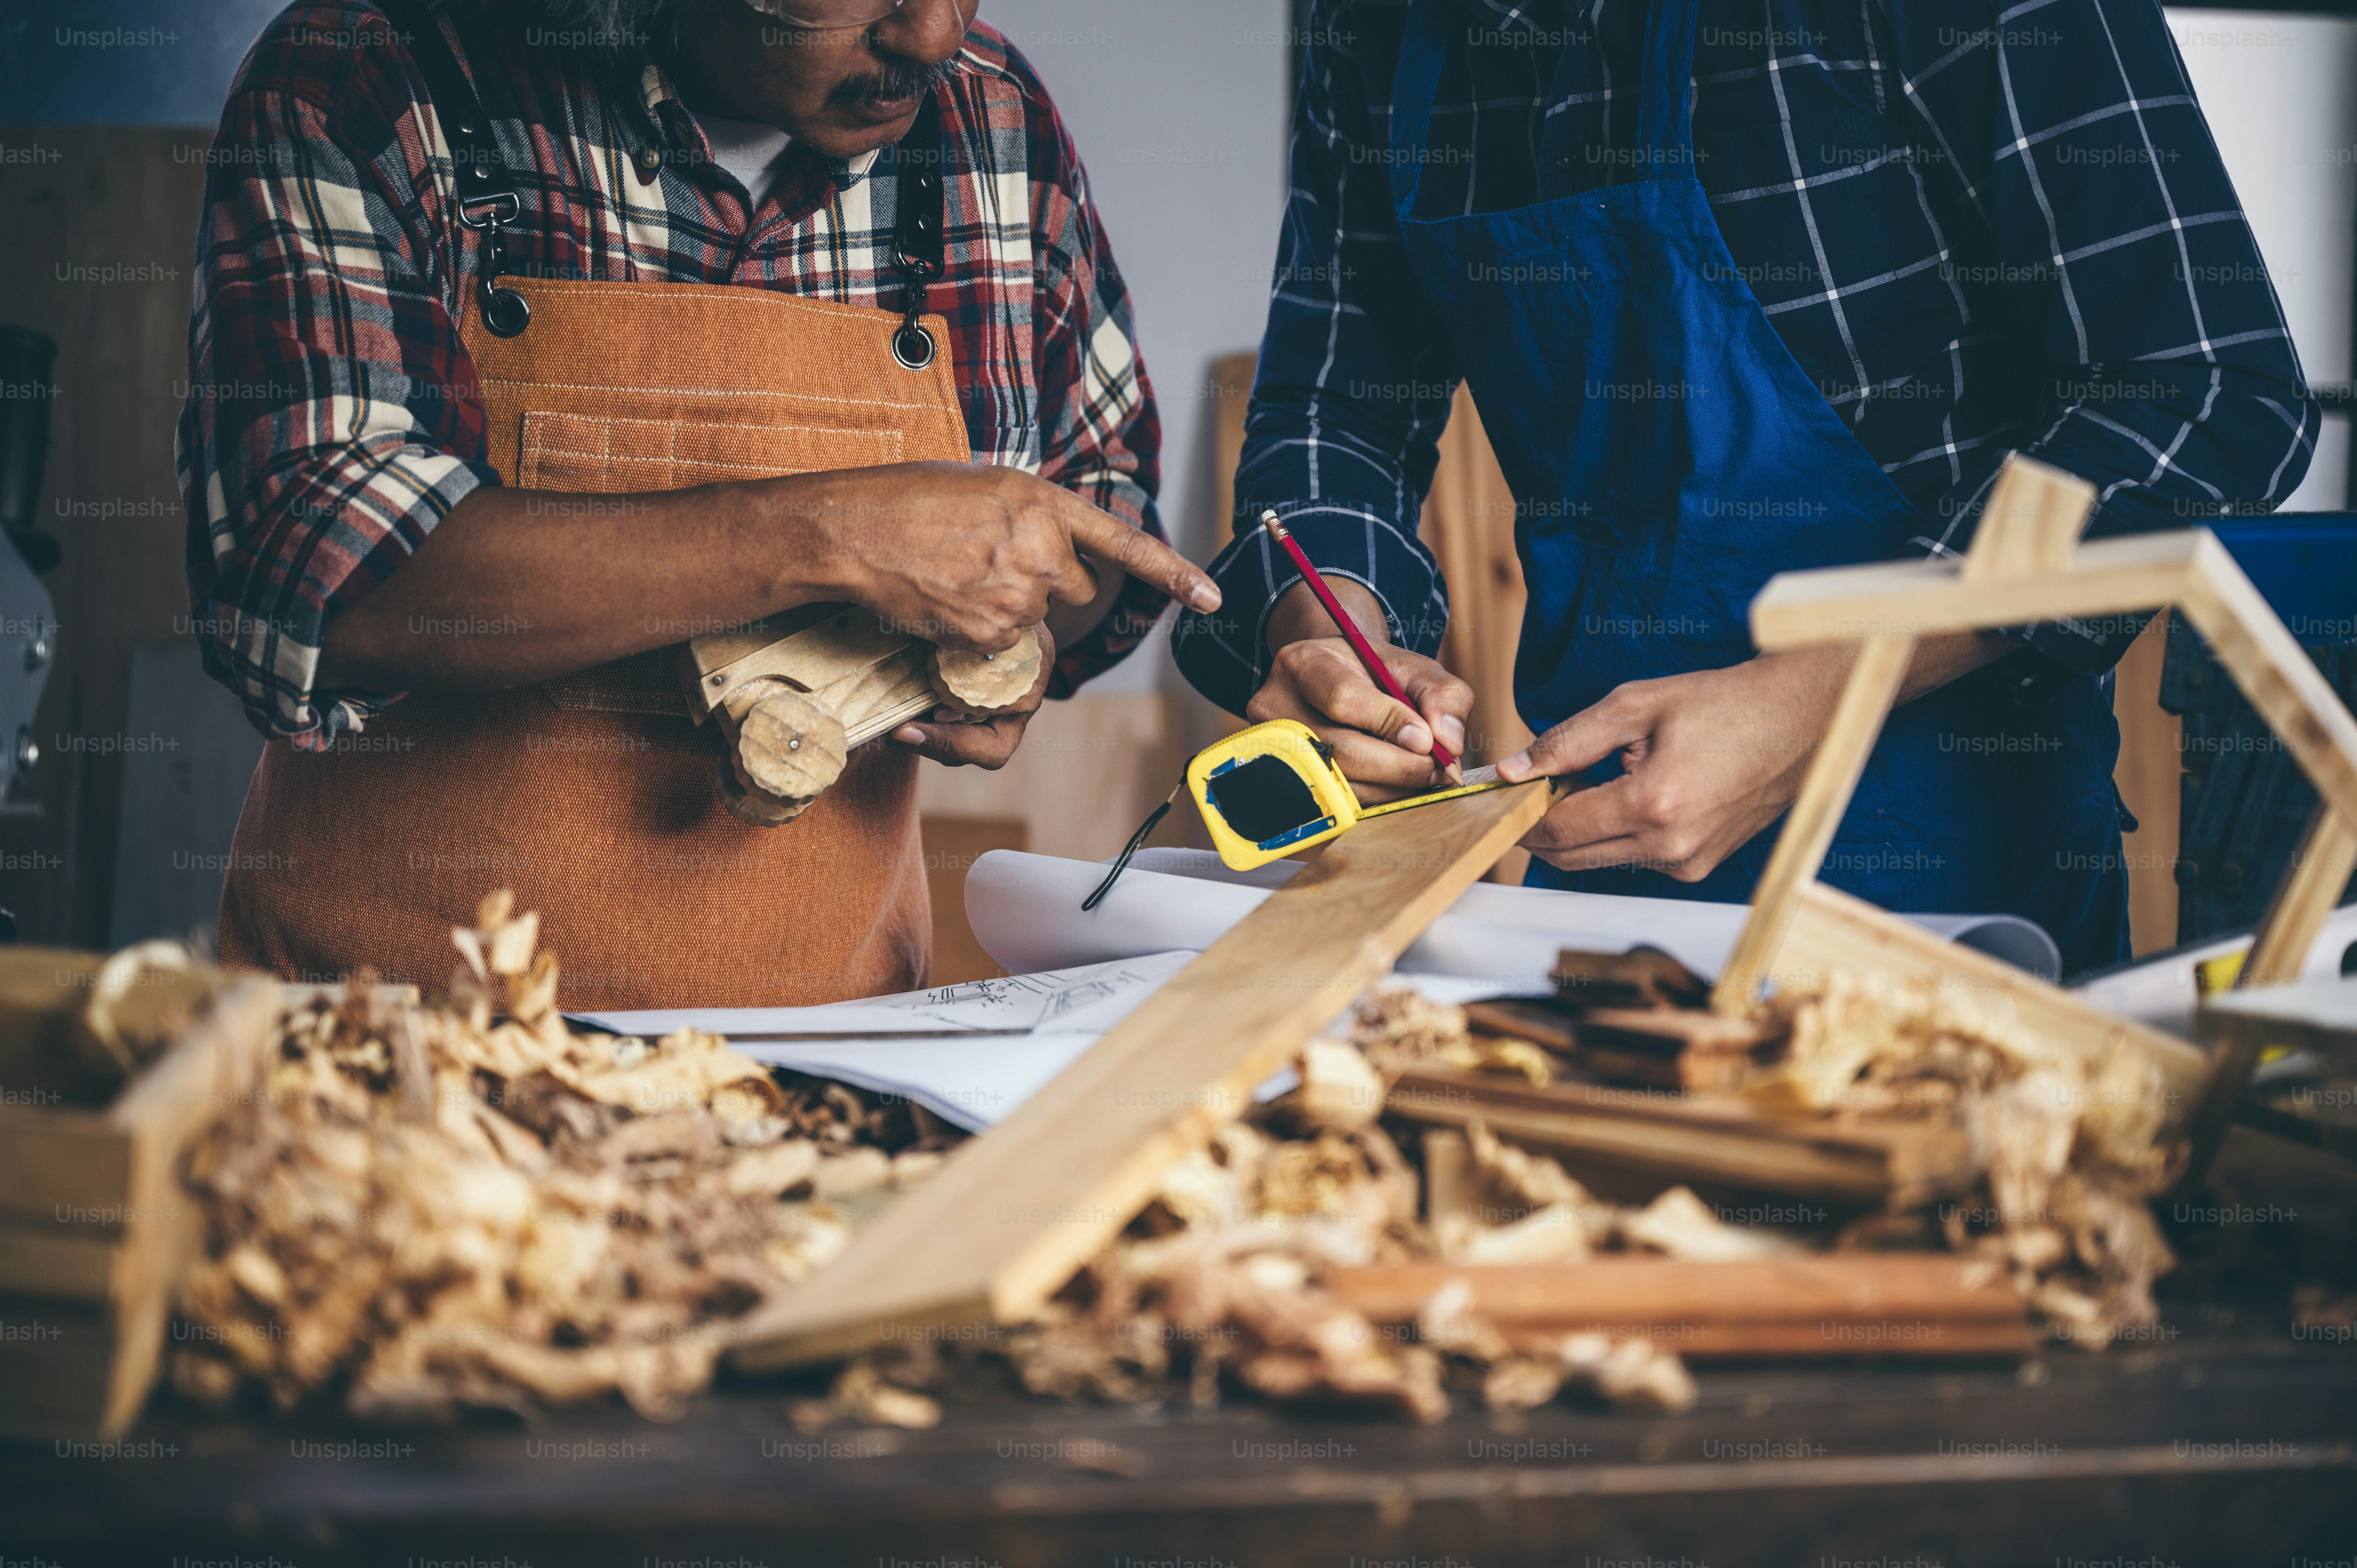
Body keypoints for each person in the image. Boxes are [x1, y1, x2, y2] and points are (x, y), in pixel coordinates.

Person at [1175, 0, 2316, 976]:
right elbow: (1335, 414)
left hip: (1953, 890)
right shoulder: (1371, 29)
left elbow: (2208, 389)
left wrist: (1829, 684)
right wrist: (1331, 622)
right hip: (1594, 886)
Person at [179, 0, 1218, 1008]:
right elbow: (322, 582)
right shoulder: (371, 73)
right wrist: (832, 538)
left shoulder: (995, 121)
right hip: (403, 1059)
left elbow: (1099, 517)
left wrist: (996, 642)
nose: (933, 32)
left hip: (827, 1066)